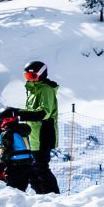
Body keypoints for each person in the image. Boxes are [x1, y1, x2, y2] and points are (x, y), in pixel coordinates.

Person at [16, 62, 61, 193]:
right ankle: (41, 196)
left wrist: (20, 114)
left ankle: (52, 196)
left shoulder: (46, 90)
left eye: (33, 76)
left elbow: (43, 113)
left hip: (43, 135)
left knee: (40, 168)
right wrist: (17, 112)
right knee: (31, 170)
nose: (30, 79)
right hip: (33, 137)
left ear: (42, 75)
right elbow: (32, 112)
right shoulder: (34, 91)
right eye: (27, 76)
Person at [0, 108, 36, 189]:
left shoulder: (8, 133)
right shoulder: (22, 131)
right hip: (27, 164)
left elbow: (6, 151)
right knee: (21, 190)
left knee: (13, 190)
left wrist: (1, 166)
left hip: (15, 165)